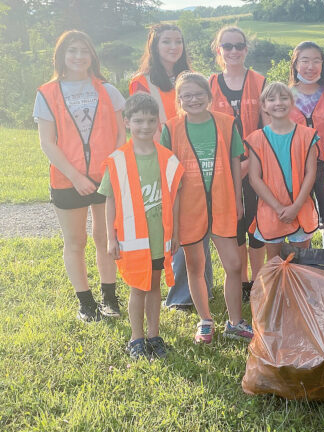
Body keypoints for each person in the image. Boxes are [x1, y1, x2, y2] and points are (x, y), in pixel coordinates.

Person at [35, 30, 126, 322]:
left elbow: (121, 134)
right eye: (72, 51)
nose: (78, 56)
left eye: (84, 51)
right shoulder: (47, 93)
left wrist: (111, 170)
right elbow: (47, 143)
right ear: (61, 55)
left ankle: (110, 298)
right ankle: (86, 303)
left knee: (106, 237)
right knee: (75, 241)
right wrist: (75, 177)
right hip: (67, 179)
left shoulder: (108, 90)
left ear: (92, 56)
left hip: (106, 176)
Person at [160, 72, 253, 344]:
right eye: (187, 96)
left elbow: (235, 163)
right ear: (179, 99)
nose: (194, 100)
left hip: (223, 203)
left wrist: (237, 200)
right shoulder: (171, 128)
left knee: (234, 264)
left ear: (209, 96)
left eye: (199, 94)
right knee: (195, 265)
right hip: (189, 207)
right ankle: (205, 320)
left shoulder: (226, 123)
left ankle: (235, 322)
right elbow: (167, 172)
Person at [130, 23, 212, 311]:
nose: (173, 47)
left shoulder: (192, 76)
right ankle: (180, 294)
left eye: (178, 41)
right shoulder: (141, 81)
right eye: (166, 41)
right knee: (174, 225)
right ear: (154, 46)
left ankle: (202, 288)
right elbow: (142, 122)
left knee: (198, 221)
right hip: (161, 158)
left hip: (194, 157)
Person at [99, 93, 184, 359]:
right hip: (132, 239)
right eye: (138, 121)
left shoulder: (168, 159)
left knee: (155, 286)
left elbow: (175, 199)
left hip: (160, 237)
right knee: (138, 287)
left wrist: (176, 232)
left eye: (150, 120)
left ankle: (154, 335)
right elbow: (110, 200)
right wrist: (111, 237)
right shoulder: (117, 160)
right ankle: (136, 338)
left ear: (158, 122)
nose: (145, 126)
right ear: (127, 122)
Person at [208, 26, 268, 302]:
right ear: (218, 50)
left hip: (256, 164)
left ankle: (258, 281)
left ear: (246, 49)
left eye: (239, 46)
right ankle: (242, 282)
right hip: (222, 169)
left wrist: (249, 163)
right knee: (234, 224)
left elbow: (268, 129)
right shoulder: (209, 84)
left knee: (256, 223)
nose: (233, 51)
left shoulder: (260, 81)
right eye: (227, 46)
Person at [246, 83, 319, 260]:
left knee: (300, 262)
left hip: (300, 208)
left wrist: (296, 207)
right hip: (271, 209)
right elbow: (254, 178)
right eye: (272, 99)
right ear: (264, 106)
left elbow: (311, 173)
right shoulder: (257, 138)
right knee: (274, 263)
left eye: (284, 98)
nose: (278, 102)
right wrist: (278, 208)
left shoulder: (307, 135)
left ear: (292, 102)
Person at [287, 41, 324, 252]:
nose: (310, 66)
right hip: (295, 168)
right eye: (305, 60)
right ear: (295, 64)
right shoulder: (283, 96)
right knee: (300, 220)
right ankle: (301, 264)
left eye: (316, 61)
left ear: (322, 64)